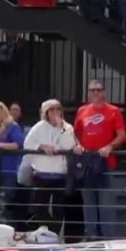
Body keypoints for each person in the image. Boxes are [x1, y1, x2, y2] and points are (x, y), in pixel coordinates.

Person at [73, 79, 126, 239]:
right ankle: (91, 237)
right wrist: (78, 145)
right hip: (87, 162)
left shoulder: (113, 111)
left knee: (106, 204)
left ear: (104, 92)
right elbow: (75, 133)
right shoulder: (82, 110)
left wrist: (110, 146)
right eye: (92, 90)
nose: (95, 92)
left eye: (98, 89)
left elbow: (122, 135)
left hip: (106, 163)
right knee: (88, 203)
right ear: (88, 93)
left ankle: (107, 239)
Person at [23, 99, 77, 231]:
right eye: (52, 109)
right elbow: (27, 144)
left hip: (60, 174)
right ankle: (45, 230)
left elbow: (69, 145)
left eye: (58, 109)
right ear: (46, 112)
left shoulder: (67, 127)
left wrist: (61, 128)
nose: (55, 112)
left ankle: (55, 232)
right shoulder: (38, 127)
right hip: (41, 174)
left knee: (58, 207)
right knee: (40, 206)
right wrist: (41, 146)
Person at [0, 101, 24, 223]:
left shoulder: (12, 127)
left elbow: (18, 144)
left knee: (2, 203)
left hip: (7, 171)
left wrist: (0, 145)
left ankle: (4, 232)